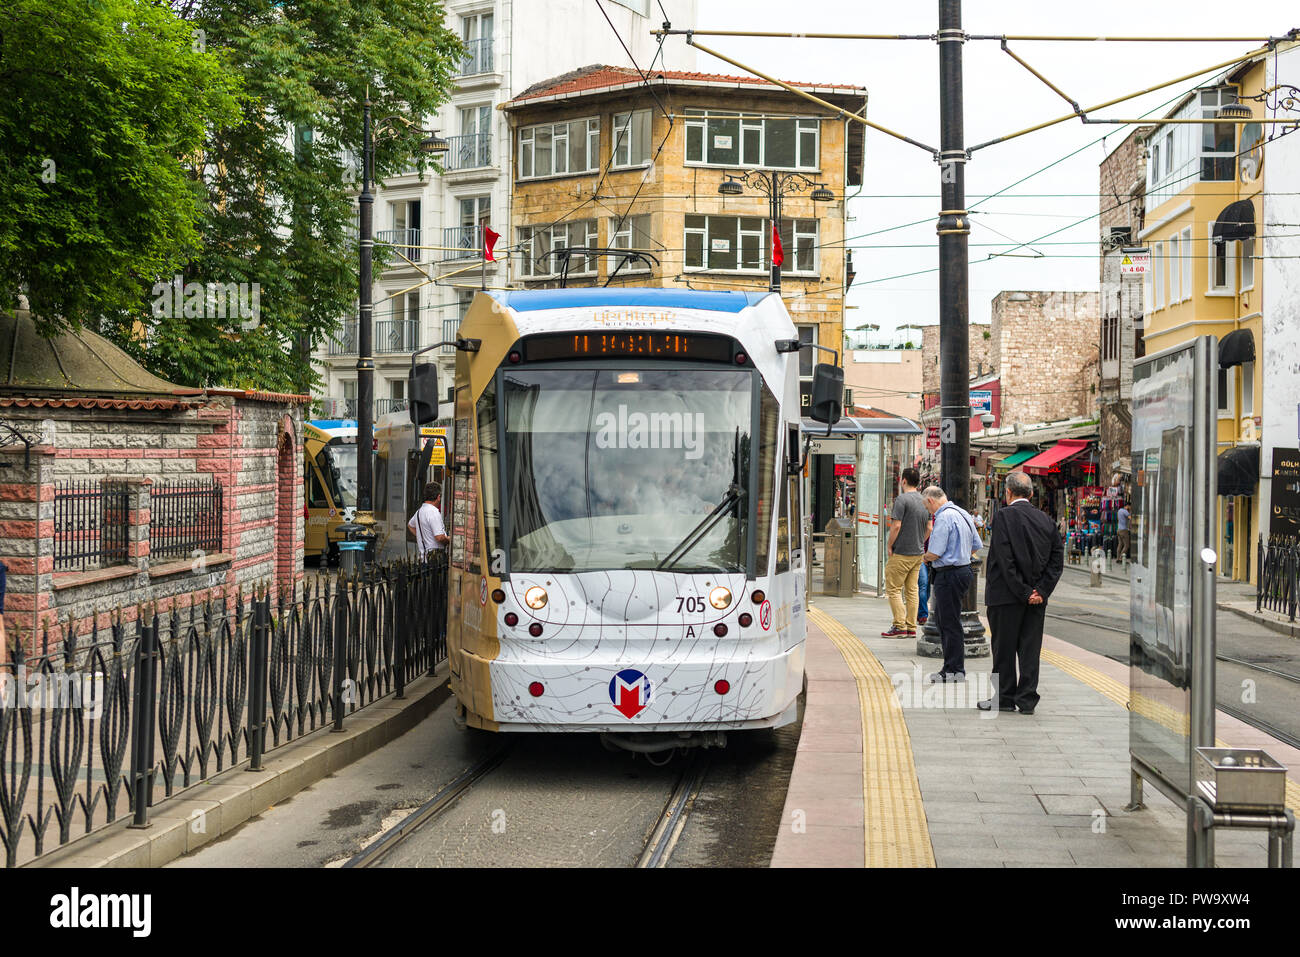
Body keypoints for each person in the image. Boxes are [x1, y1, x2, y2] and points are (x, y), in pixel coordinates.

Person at [980, 470, 1065, 715]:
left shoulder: (1004, 517)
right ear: (1030, 493)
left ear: (1008, 492)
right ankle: (1027, 699)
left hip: (1006, 597)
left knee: (1003, 650)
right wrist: (1040, 591)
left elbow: (1005, 561)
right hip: (1036, 600)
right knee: (1030, 649)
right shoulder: (1046, 520)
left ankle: (1004, 697)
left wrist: (1024, 591)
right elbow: (1057, 560)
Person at [921, 486, 981, 682]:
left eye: (926, 506)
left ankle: (954, 670)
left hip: (948, 574)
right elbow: (976, 545)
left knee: (948, 622)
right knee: (948, 619)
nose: (928, 511)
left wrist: (924, 557)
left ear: (931, 501)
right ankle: (952, 668)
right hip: (964, 571)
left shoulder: (943, 517)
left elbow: (936, 551)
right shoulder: (963, 513)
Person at [881, 468, 930, 638]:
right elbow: (930, 527)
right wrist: (919, 541)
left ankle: (899, 625)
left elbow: (896, 526)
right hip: (918, 553)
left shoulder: (902, 500)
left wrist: (889, 545)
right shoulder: (924, 500)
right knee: (912, 590)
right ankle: (911, 627)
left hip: (901, 552)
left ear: (903, 481)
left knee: (893, 589)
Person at [407, 483, 449, 558]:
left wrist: (423, 537)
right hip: (434, 558)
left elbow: (410, 525)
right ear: (438, 497)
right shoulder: (433, 512)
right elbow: (439, 537)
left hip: (424, 558)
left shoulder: (419, 511)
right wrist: (451, 539)